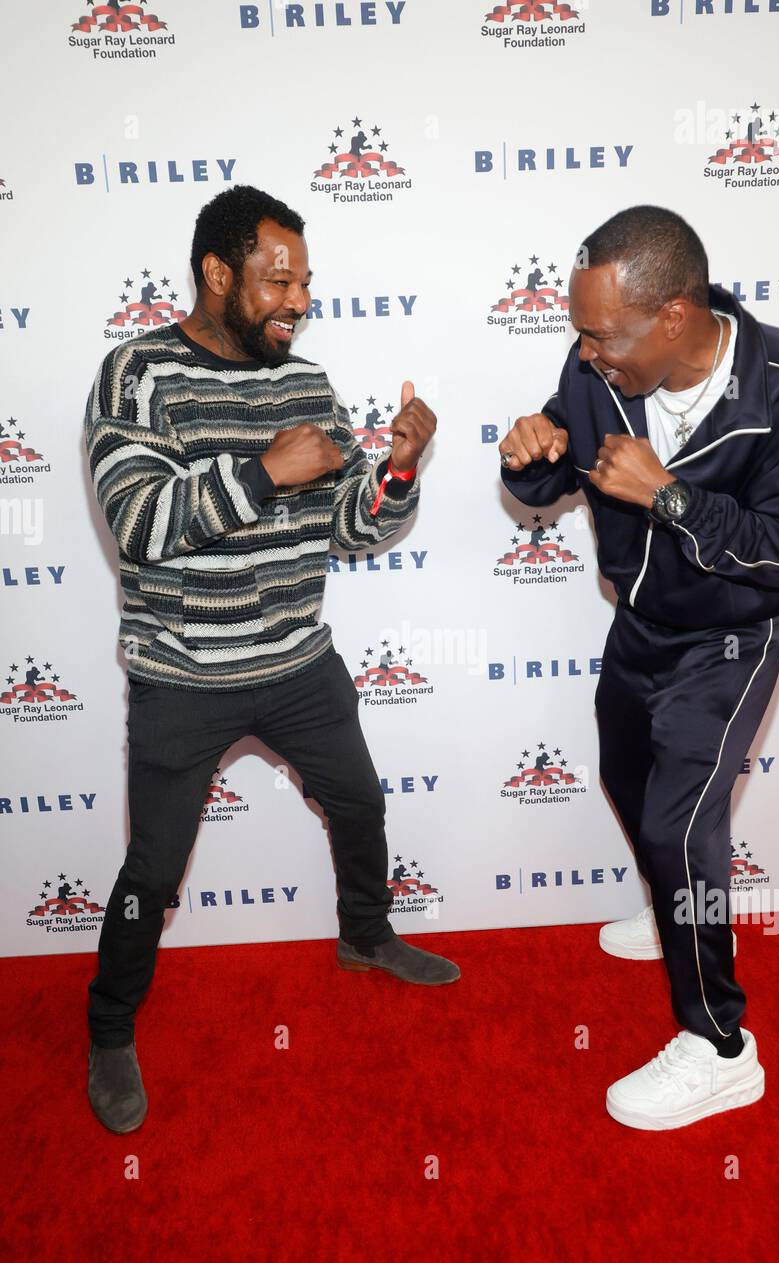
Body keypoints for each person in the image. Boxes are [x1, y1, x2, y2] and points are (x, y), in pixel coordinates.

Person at [84, 184, 459, 1135]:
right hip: (182, 677)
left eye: (304, 282)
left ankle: (366, 938)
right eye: (276, 278)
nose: (296, 299)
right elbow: (138, 526)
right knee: (154, 871)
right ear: (219, 274)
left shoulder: (308, 382)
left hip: (300, 664)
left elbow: (350, 527)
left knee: (363, 806)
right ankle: (109, 1026)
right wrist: (261, 472)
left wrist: (400, 472)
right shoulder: (138, 375)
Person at [499, 205, 779, 1131]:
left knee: (680, 824)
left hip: (735, 637)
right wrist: (532, 456)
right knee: (628, 779)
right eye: (578, 331)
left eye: (601, 334)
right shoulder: (600, 363)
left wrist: (675, 496)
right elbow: (558, 475)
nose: (583, 351)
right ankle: (677, 916)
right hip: (642, 623)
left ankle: (722, 1048)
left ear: (676, 317)